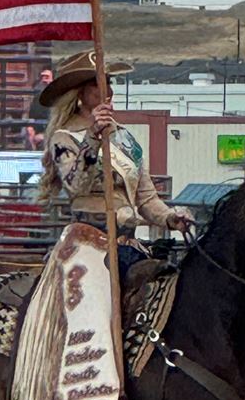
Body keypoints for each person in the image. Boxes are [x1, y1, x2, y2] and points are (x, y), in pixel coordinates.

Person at [37, 49, 192, 275]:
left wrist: (169, 218)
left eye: (108, 82)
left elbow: (146, 198)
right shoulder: (65, 138)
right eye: (96, 83)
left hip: (126, 243)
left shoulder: (124, 138)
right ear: (78, 93)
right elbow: (77, 185)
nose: (106, 90)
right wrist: (93, 137)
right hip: (86, 245)